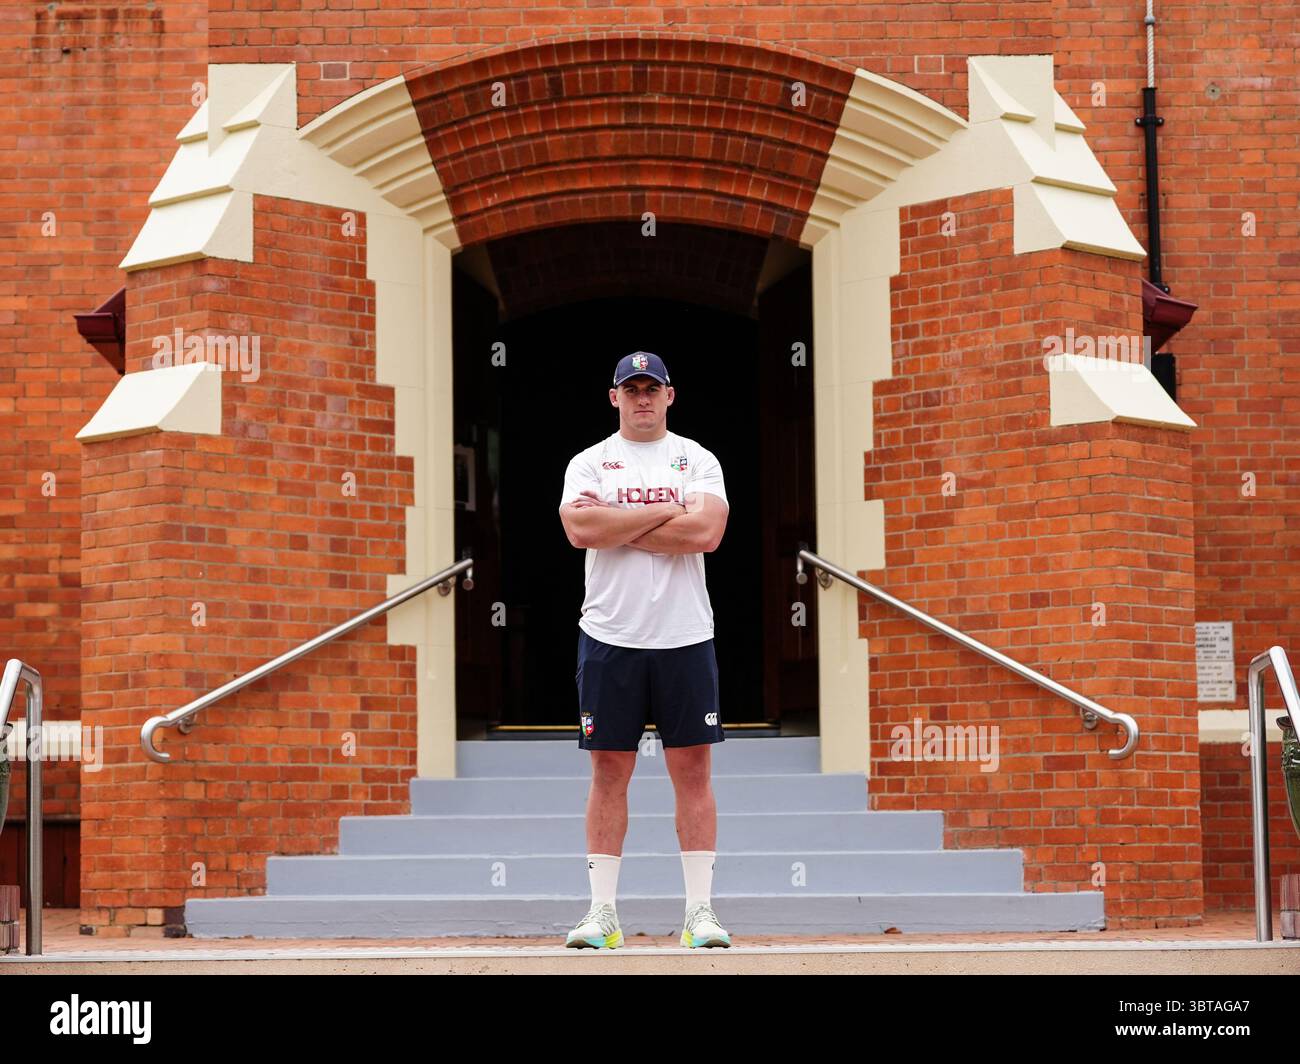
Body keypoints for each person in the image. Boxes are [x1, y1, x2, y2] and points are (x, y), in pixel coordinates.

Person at [557, 351, 732, 949]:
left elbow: (706, 533)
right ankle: (602, 914)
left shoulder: (698, 458)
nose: (642, 398)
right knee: (609, 770)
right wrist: (666, 511)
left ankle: (699, 914)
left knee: (693, 771)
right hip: (610, 636)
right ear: (614, 398)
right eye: (630, 389)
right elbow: (580, 531)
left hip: (685, 635)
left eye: (651, 388)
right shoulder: (590, 461)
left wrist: (618, 521)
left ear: (670, 395)